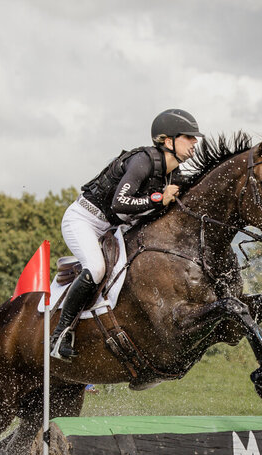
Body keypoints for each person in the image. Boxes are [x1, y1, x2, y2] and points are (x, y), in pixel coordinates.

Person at [50, 108, 203, 360]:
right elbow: (119, 203)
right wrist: (158, 199)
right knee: (97, 269)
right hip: (84, 220)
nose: (195, 142)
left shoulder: (173, 175)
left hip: (114, 228)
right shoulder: (142, 161)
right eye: (188, 136)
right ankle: (60, 335)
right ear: (168, 141)